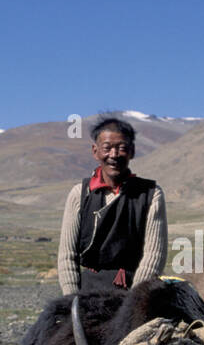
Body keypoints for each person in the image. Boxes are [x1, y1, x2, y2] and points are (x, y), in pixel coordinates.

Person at [57, 116, 167, 295]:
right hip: (87, 291)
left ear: (131, 151)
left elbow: (154, 257)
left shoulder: (151, 194)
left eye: (121, 148)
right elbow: (67, 256)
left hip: (135, 290)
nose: (114, 155)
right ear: (96, 151)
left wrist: (135, 302)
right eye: (107, 148)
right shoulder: (80, 194)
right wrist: (71, 300)